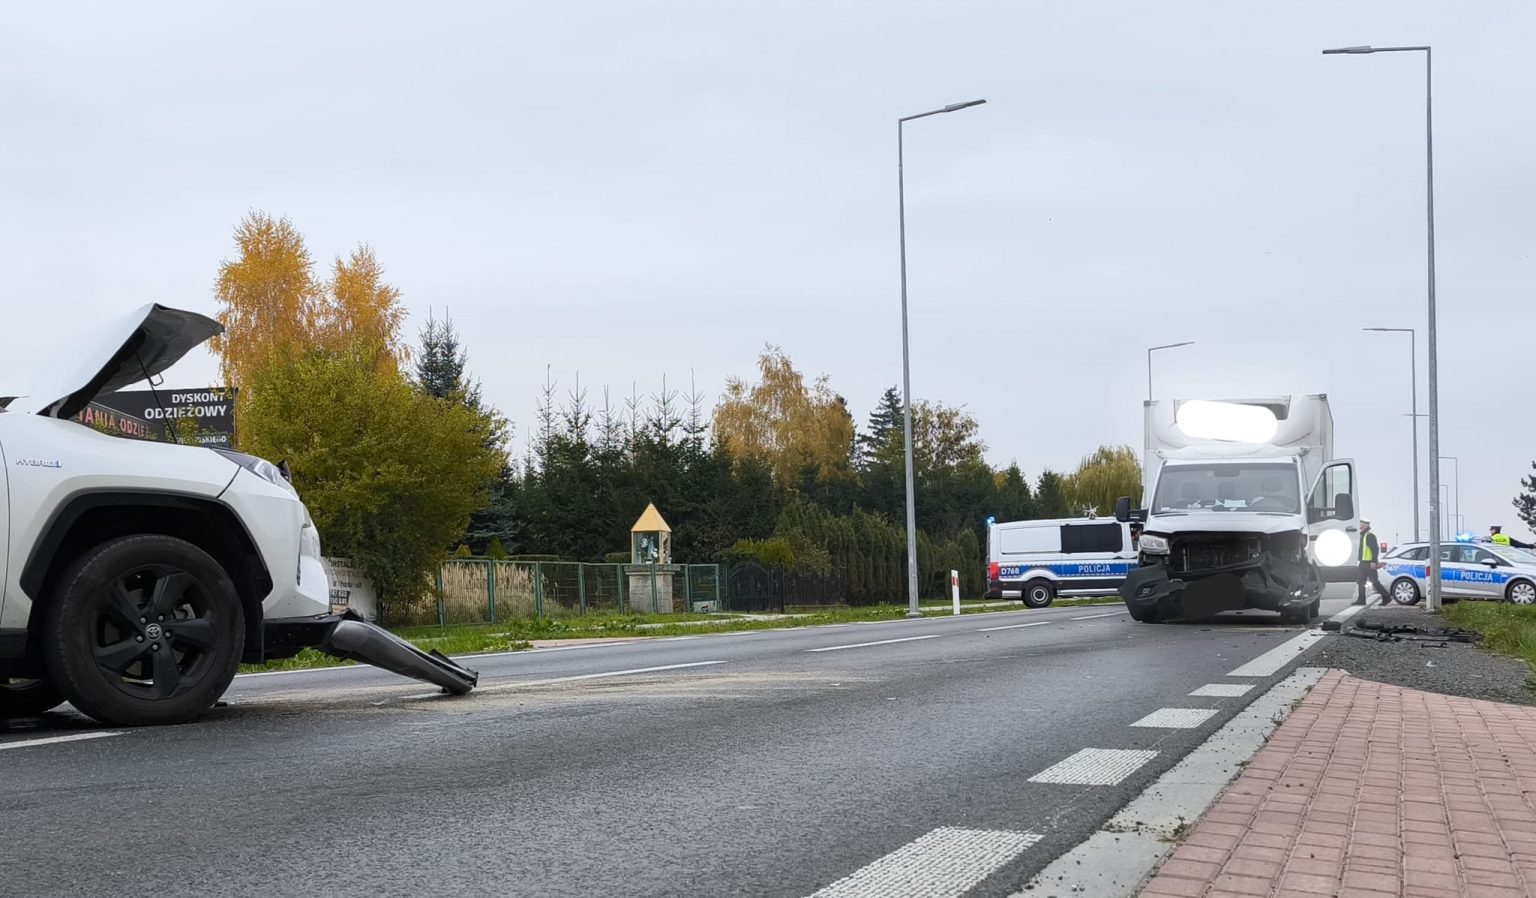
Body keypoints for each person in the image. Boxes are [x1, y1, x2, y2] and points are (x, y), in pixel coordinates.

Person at [1356, 518, 1390, 607]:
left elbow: (1375, 549)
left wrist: (1374, 561)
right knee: (1360, 581)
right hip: (1362, 562)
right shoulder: (1361, 535)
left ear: (1365, 525)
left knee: (1374, 581)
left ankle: (1386, 597)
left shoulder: (1370, 535)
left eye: (1361, 523)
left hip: (1369, 563)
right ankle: (1361, 599)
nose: (1359, 525)